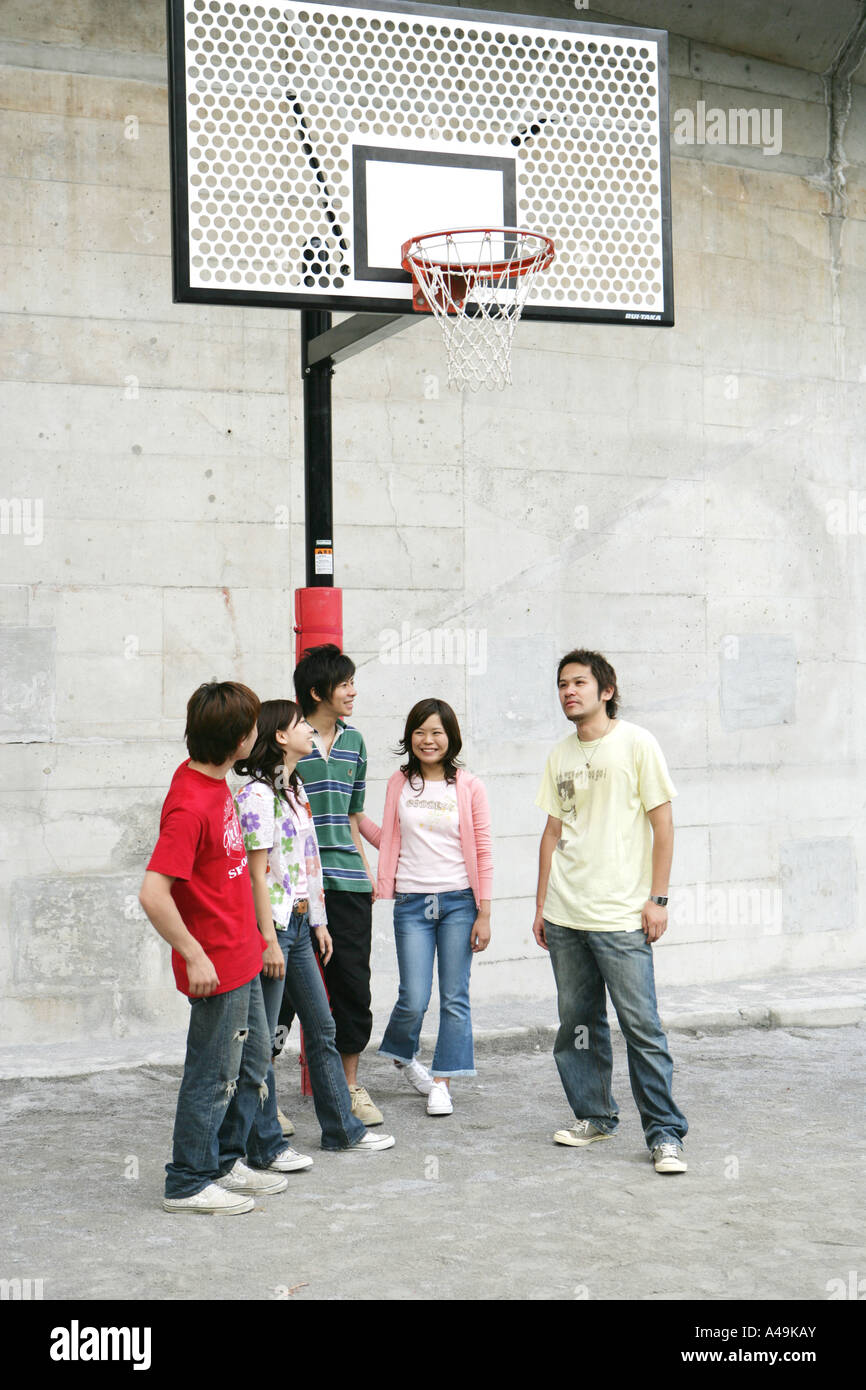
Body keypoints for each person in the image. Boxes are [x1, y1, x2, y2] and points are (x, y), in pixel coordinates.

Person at [532, 650, 689, 1175]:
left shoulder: (637, 743)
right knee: (577, 1024)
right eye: (561, 684)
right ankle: (595, 1116)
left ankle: (665, 1134)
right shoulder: (560, 754)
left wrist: (658, 898)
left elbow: (663, 825)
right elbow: (552, 833)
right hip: (566, 913)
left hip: (622, 915)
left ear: (606, 689)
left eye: (579, 682)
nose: (568, 691)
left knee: (641, 1026)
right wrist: (540, 906)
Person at [139, 681, 290, 1214]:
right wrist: (194, 953)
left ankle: (225, 1162)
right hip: (217, 966)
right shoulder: (189, 805)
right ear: (237, 739)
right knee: (211, 1075)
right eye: (251, 726)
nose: (256, 733)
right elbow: (153, 894)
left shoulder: (213, 779)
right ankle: (187, 1180)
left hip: (243, 953)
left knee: (249, 1069)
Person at [234, 700, 395, 1154]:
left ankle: (342, 1131)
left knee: (322, 1028)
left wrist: (319, 921)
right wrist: (268, 940)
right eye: (300, 724)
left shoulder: (295, 789)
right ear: (281, 737)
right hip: (276, 928)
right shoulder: (256, 796)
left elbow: (310, 864)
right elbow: (255, 874)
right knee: (262, 1039)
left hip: (303, 925)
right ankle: (264, 1145)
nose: (310, 729)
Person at [365, 698, 492, 1116]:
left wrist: (484, 911)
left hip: (459, 902)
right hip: (412, 903)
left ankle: (442, 1082)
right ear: (410, 737)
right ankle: (403, 1053)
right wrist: (355, 821)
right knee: (414, 998)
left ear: (450, 736)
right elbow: (392, 842)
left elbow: (484, 850)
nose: (428, 740)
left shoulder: (469, 786)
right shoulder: (399, 783)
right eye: (420, 732)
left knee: (454, 996)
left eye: (436, 732)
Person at [292, 644, 383, 1126]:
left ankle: (350, 1087)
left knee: (352, 985)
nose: (352, 691)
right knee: (284, 987)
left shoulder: (356, 742)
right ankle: (263, 1090)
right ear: (317, 691)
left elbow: (352, 815)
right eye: (344, 683)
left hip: (347, 883)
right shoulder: (288, 740)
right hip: (299, 886)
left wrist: (367, 871)